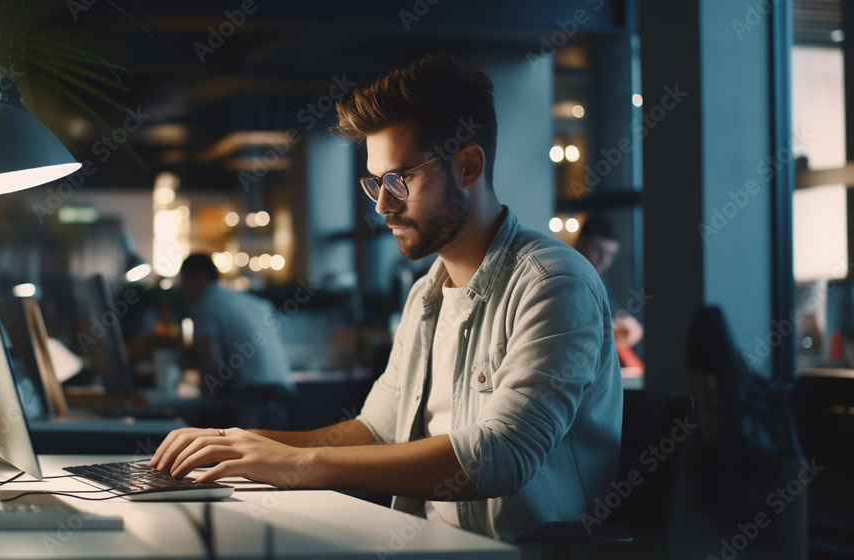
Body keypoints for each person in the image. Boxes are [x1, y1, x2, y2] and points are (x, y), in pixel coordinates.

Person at [151, 53, 622, 541]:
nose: (382, 205)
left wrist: (300, 463)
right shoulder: (426, 295)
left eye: (401, 179)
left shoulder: (554, 283)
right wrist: (240, 445)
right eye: (376, 181)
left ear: (467, 165)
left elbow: (501, 458)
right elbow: (376, 430)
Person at [178, 254, 295, 426]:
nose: (182, 289)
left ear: (200, 276)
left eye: (184, 281)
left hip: (253, 399)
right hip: (284, 395)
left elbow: (212, 369)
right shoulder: (251, 301)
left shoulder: (206, 305)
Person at [574, 215, 644, 350]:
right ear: (581, 243)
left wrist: (628, 323)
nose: (604, 260)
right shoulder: (566, 278)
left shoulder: (598, 278)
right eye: (599, 251)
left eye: (611, 254)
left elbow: (614, 311)